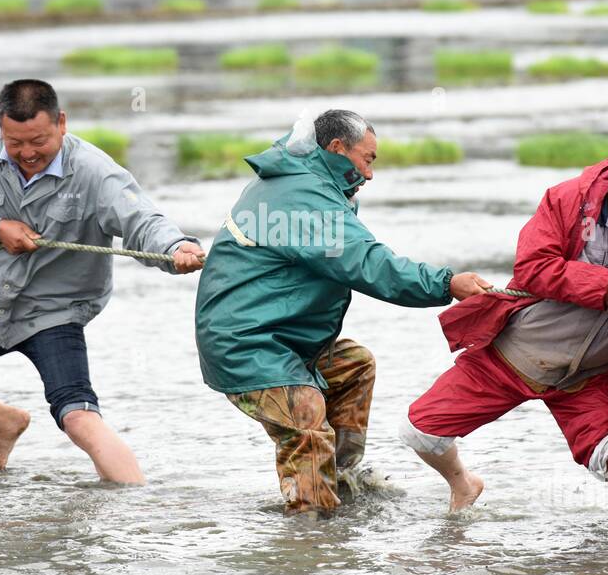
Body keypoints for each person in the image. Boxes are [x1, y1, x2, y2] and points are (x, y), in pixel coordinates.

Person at [0, 79, 205, 481]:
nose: (27, 153)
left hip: (54, 312)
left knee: (77, 418)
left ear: (62, 123)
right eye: (14, 143)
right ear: (0, 126)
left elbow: (143, 221)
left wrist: (176, 248)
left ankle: (137, 503)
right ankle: (1, 418)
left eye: (38, 141)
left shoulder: (95, 172)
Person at [194, 109, 491, 515]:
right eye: (367, 160)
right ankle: (311, 528)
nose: (369, 175)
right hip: (245, 343)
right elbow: (365, 262)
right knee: (306, 420)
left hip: (282, 338)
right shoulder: (302, 196)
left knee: (354, 366)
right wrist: (444, 283)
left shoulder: (305, 182)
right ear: (336, 148)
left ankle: (341, 481)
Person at [402, 142, 608, 521]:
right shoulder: (569, 200)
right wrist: (605, 287)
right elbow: (534, 265)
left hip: (589, 377)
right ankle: (463, 483)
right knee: (419, 432)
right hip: (513, 357)